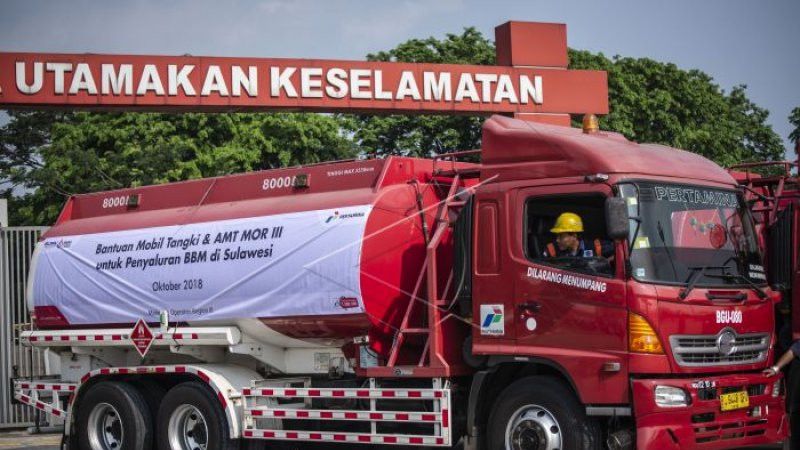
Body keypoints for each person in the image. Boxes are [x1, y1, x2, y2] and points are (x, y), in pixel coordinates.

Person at [543, 212, 613, 259]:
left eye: (561, 236)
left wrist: (606, 262)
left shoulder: (595, 246)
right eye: (557, 236)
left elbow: (620, 251)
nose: (557, 240)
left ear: (574, 236)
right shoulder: (552, 250)